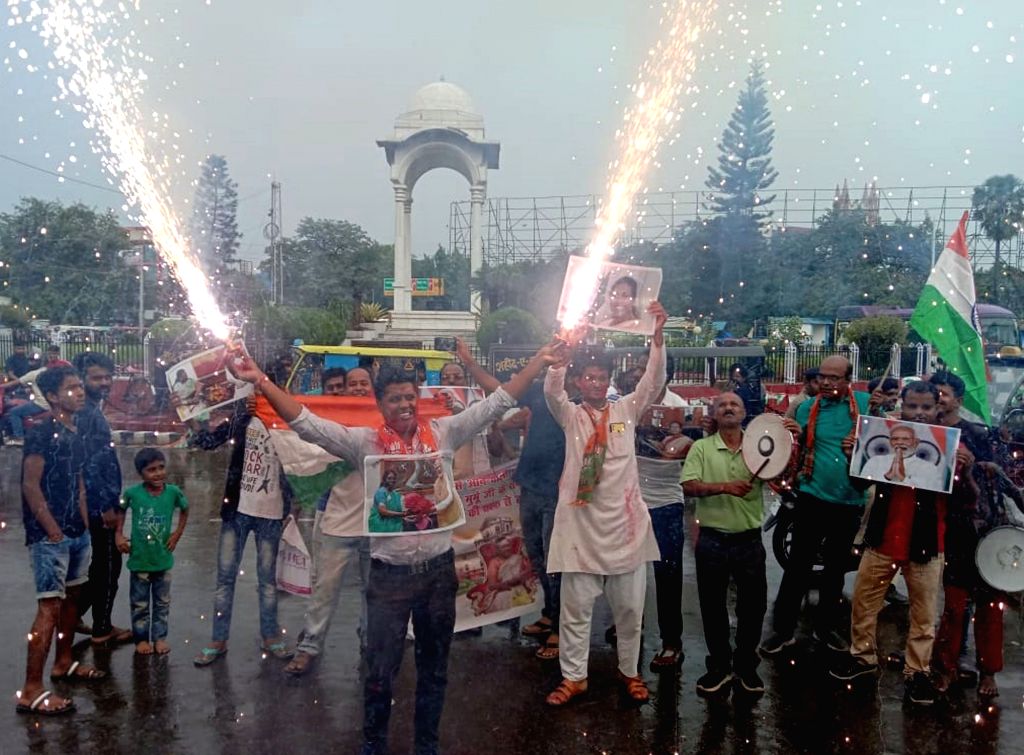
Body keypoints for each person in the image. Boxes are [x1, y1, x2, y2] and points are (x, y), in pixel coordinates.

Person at [228, 340, 557, 755]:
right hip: (388, 580)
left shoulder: (444, 432)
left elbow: (499, 401)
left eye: (409, 396)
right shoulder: (363, 442)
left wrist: (538, 361)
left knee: (435, 672)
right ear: (379, 403)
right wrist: (260, 382)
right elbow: (307, 423)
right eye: (395, 398)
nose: (404, 404)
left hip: (439, 575)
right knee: (380, 674)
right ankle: (373, 746)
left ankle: (427, 746)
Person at [543, 302, 668, 707]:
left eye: (602, 378)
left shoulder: (625, 411)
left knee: (631, 611)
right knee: (574, 611)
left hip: (625, 530)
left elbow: (652, 382)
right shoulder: (569, 415)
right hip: (580, 528)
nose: (596, 384)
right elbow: (550, 391)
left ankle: (629, 671)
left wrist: (657, 337)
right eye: (590, 378)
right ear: (580, 382)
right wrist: (559, 360)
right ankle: (573, 678)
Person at [830, 381, 977, 706]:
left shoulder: (949, 445)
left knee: (923, 616)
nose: (919, 414)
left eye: (926, 407)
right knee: (864, 604)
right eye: (912, 407)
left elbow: (966, 501)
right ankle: (862, 658)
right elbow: (859, 483)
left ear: (938, 408)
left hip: (926, 546)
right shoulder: (885, 436)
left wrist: (964, 472)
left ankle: (917, 672)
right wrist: (851, 456)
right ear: (903, 406)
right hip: (882, 539)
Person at [455, 336, 567, 660]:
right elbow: (500, 389)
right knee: (537, 555)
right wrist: (470, 363)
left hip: (557, 490)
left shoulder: (574, 398)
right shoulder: (539, 390)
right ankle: (549, 614)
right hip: (530, 485)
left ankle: (561, 627)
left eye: (563, 360)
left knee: (555, 560)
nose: (556, 364)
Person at [683, 392, 798, 696]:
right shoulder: (701, 447)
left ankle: (746, 666)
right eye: (722, 405)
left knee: (754, 607)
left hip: (749, 541)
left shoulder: (758, 448)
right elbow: (689, 486)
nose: (729, 408)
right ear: (714, 413)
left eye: (735, 404)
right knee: (712, 607)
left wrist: (791, 445)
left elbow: (784, 480)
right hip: (711, 540)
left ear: (745, 412)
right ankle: (719, 667)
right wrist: (725, 487)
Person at [761, 356, 870, 656]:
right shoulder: (808, 408)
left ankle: (825, 630)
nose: (826, 383)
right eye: (822, 377)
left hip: (849, 501)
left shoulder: (866, 404)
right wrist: (793, 434)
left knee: (834, 572)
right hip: (810, 498)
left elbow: (883, 441)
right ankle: (782, 632)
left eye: (834, 378)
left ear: (849, 380)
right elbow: (799, 447)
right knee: (797, 568)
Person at [16, 366, 106, 718]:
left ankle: (63, 662)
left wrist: (82, 518)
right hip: (48, 535)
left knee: (73, 598)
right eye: (71, 388)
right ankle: (31, 689)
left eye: (80, 387)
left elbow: (79, 477)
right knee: (49, 608)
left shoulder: (77, 429)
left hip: (76, 530)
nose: (80, 392)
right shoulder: (40, 432)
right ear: (52, 396)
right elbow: (29, 484)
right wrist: (51, 528)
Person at [191, 395, 295, 667]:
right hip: (236, 511)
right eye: (258, 394)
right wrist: (191, 417)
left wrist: (294, 505)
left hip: (272, 513)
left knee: (267, 582)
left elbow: (301, 462)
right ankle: (218, 639)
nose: (262, 399)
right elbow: (208, 442)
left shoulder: (288, 422)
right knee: (225, 580)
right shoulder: (241, 419)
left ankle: (271, 636)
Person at [929, 370, 1010, 698]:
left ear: (958, 401)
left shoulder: (976, 433)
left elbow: (997, 477)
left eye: (943, 393)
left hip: (981, 530)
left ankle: (988, 672)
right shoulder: (923, 432)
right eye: (932, 390)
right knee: (954, 606)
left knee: (990, 607)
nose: (937, 397)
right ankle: (945, 667)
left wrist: (974, 463)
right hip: (947, 531)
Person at [286, 368, 372, 677]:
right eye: (353, 384)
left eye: (364, 383)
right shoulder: (332, 423)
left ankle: (370, 646)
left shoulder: (388, 420)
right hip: (338, 520)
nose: (359, 388)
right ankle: (309, 646)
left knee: (372, 592)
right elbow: (300, 430)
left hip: (377, 525)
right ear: (345, 390)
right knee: (324, 590)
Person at [633, 356, 690, 673]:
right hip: (631, 499)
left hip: (668, 500)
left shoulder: (679, 406)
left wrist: (692, 439)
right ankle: (630, 626)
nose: (646, 375)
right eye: (642, 370)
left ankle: (672, 642)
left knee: (668, 574)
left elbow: (696, 452)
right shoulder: (626, 402)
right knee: (628, 571)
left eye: (653, 369)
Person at [72, 351, 132, 646]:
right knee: (108, 567)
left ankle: (72, 618)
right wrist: (107, 506)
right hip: (99, 504)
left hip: (95, 501)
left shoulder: (89, 409)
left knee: (101, 564)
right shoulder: (87, 413)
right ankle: (101, 629)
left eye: (108, 377)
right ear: (81, 379)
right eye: (97, 377)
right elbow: (91, 464)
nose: (105, 383)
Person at [115, 448, 189, 655]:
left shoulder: (173, 492)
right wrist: (118, 534)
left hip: (163, 559)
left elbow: (185, 508)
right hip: (140, 560)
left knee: (162, 603)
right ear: (141, 474)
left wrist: (177, 534)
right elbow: (120, 509)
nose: (157, 473)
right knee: (139, 604)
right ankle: (141, 639)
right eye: (151, 470)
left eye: (161, 468)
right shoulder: (132, 494)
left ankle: (160, 638)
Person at [858, 424, 947, 491]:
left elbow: (933, 492)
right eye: (895, 439)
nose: (899, 442)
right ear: (890, 442)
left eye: (905, 439)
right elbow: (862, 487)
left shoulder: (930, 468)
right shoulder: (875, 461)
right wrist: (888, 476)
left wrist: (903, 478)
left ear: (916, 442)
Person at [4, 364, 49, 444]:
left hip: (41, 404)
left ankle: (19, 437)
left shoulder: (32, 374)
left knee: (14, 412)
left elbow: (14, 383)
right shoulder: (48, 371)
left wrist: (1, 386)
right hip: (52, 403)